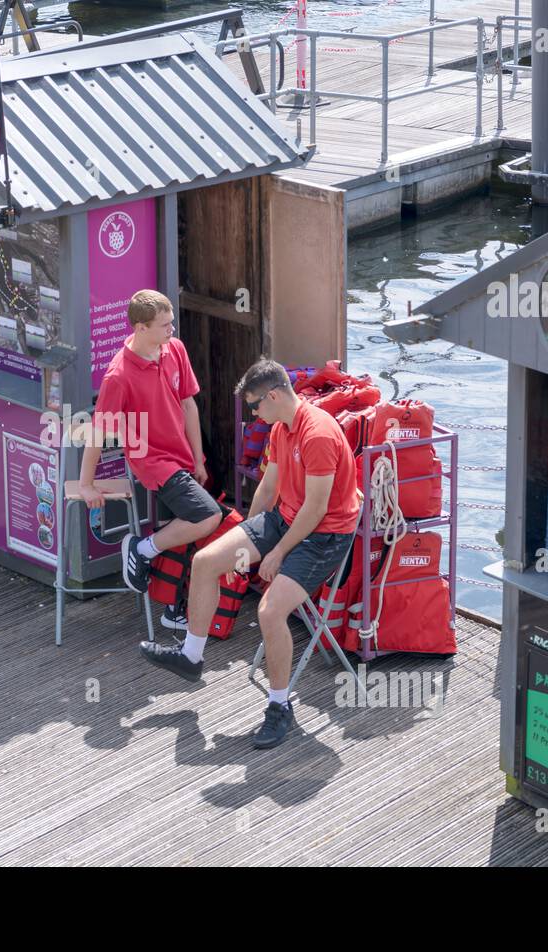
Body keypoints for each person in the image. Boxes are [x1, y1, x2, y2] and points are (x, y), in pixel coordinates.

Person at [140, 359, 360, 750]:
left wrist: (275, 552)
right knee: (206, 561)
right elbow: (268, 488)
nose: (254, 415)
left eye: (256, 406)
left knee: (270, 612)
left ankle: (279, 707)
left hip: (323, 537)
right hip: (284, 521)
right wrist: (247, 532)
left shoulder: (318, 435)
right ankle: (191, 656)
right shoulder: (280, 428)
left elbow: (316, 509)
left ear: (273, 395)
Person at [77, 290, 221, 623]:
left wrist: (198, 459)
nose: (172, 330)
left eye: (172, 323)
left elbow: (188, 404)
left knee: (182, 527)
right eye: (164, 325)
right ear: (140, 328)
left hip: (182, 456)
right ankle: (140, 549)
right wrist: (86, 484)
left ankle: (173, 608)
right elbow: (97, 432)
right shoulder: (118, 376)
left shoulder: (175, 349)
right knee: (206, 515)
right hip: (153, 461)